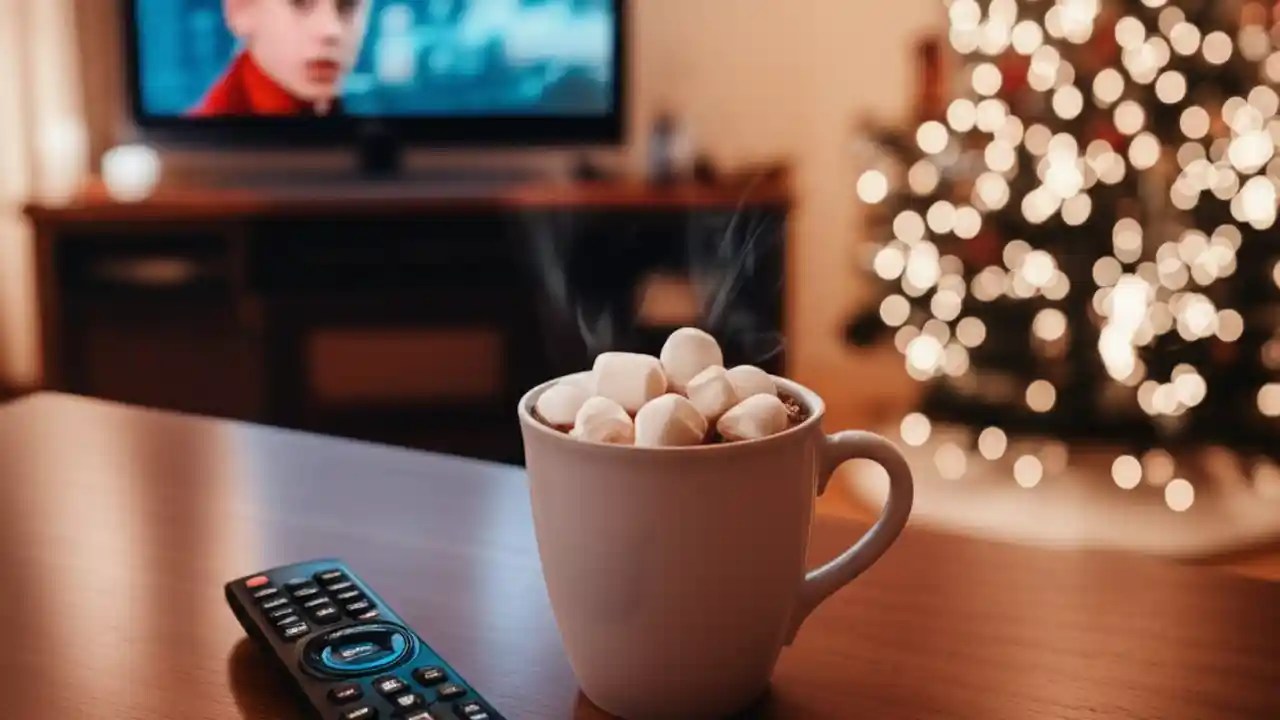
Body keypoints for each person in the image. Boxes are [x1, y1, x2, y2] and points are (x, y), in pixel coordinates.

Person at [190, 0, 372, 117]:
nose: (331, 31)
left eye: (349, 5)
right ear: (240, 9)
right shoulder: (198, 149)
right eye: (300, 3)